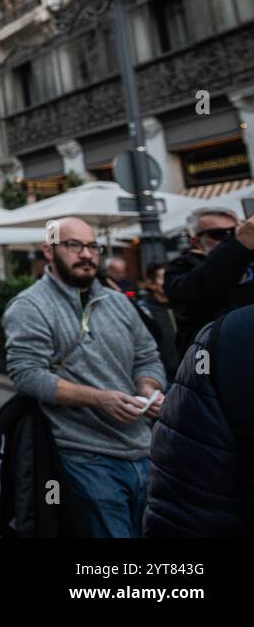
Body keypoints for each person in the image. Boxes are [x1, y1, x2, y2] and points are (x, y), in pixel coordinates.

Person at [3, 217, 167, 538]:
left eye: (92, 246)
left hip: (145, 452)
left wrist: (149, 389)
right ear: (48, 251)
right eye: (73, 245)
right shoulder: (30, 306)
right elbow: (26, 374)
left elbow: (147, 357)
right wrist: (99, 399)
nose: (87, 254)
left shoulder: (118, 301)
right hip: (85, 458)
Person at [144, 304, 254, 537]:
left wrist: (147, 380)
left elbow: (145, 355)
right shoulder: (231, 339)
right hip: (92, 445)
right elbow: (188, 513)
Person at [164, 206, 254, 354]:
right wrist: (237, 245)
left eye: (234, 232)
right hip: (212, 361)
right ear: (197, 241)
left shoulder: (247, 260)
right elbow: (198, 295)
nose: (230, 238)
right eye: (218, 234)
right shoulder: (180, 268)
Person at [134, 261, 179, 379]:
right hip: (163, 374)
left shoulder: (181, 305)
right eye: (164, 278)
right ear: (152, 284)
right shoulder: (145, 309)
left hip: (186, 370)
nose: (170, 282)